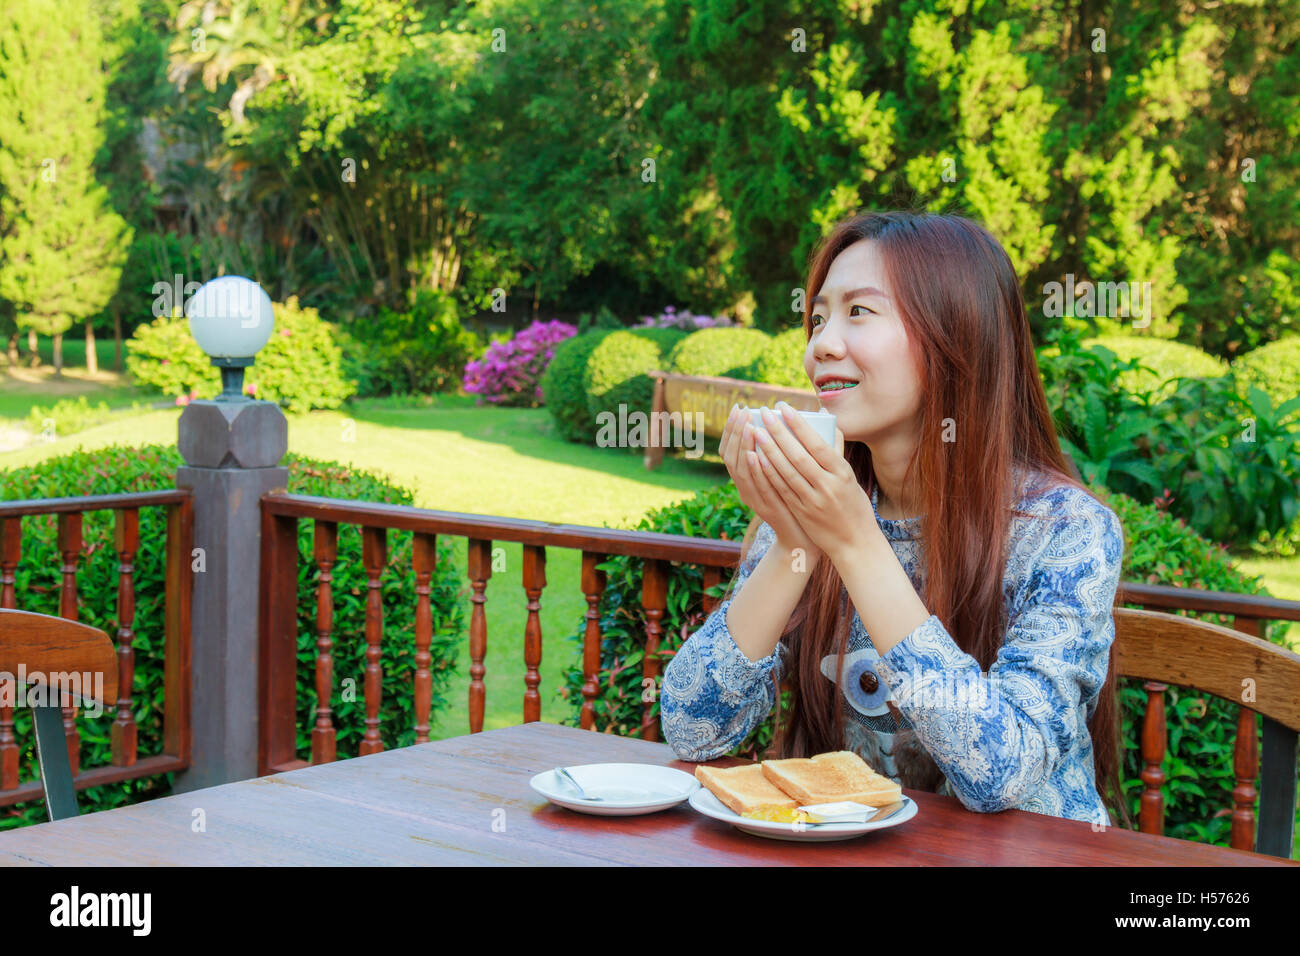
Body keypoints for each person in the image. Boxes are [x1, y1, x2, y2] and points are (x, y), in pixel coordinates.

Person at [660, 210, 1130, 828]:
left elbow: (1004, 772)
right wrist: (792, 547)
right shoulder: (819, 505)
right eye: (820, 316)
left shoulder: (1065, 530)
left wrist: (855, 545)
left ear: (955, 336)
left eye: (859, 312)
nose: (821, 344)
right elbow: (694, 730)